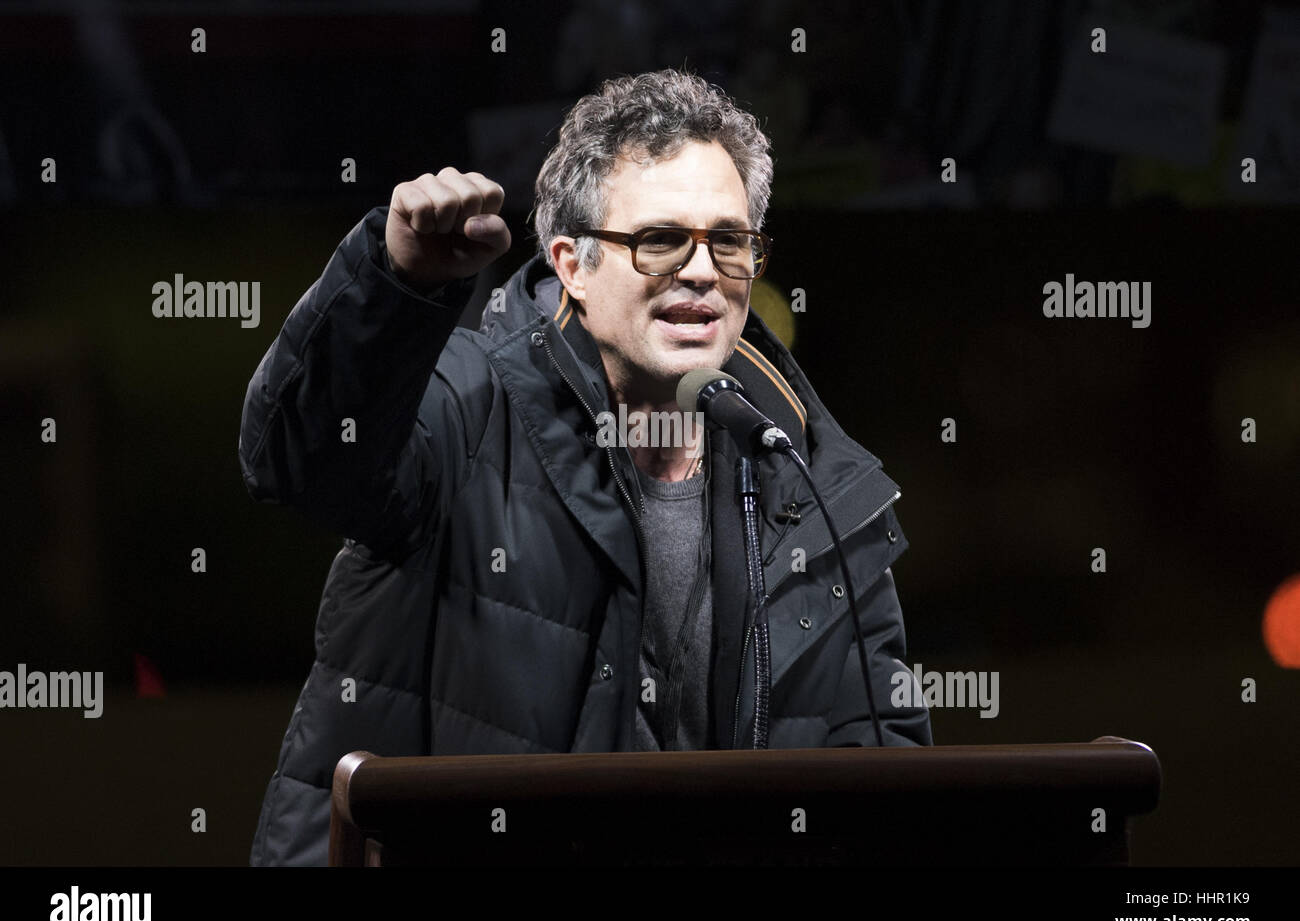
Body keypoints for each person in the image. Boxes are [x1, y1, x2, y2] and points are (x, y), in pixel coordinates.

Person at [239, 68, 932, 867]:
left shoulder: (812, 483)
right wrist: (394, 287)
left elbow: (889, 783)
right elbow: (296, 460)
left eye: (729, 241)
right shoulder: (467, 402)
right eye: (660, 240)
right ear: (570, 263)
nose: (702, 271)